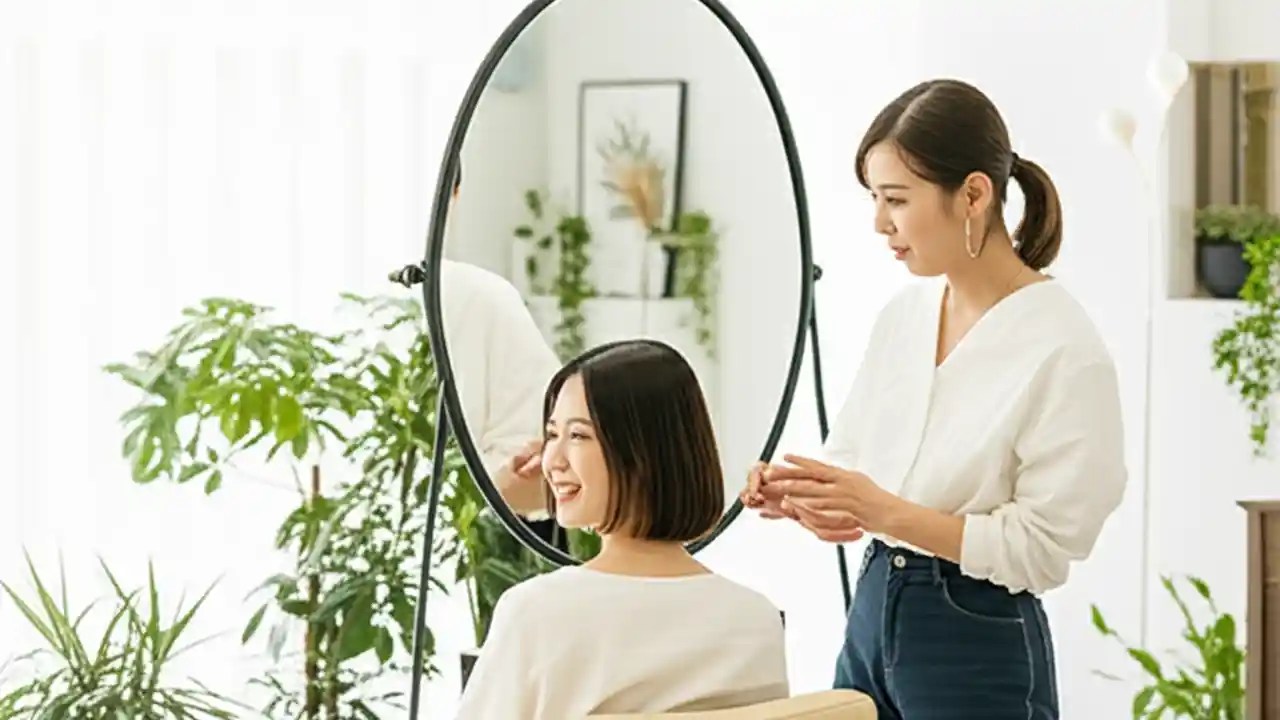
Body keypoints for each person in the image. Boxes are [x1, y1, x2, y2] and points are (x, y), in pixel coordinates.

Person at [741, 78, 1127, 719]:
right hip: (872, 612)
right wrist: (806, 495)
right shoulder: (905, 316)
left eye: (896, 198)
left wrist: (885, 511)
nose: (878, 222)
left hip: (973, 631)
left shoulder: (1063, 346)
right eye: (873, 197)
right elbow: (861, 477)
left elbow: (1040, 550)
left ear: (973, 193)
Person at [456, 339, 789, 719]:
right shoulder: (755, 620)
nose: (551, 460)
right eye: (552, 434)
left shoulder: (537, 614)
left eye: (578, 435)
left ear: (642, 456)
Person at [436, 164, 565, 546]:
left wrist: (505, 488)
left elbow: (543, 480)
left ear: (454, 196)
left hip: (468, 557)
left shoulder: (483, 300)